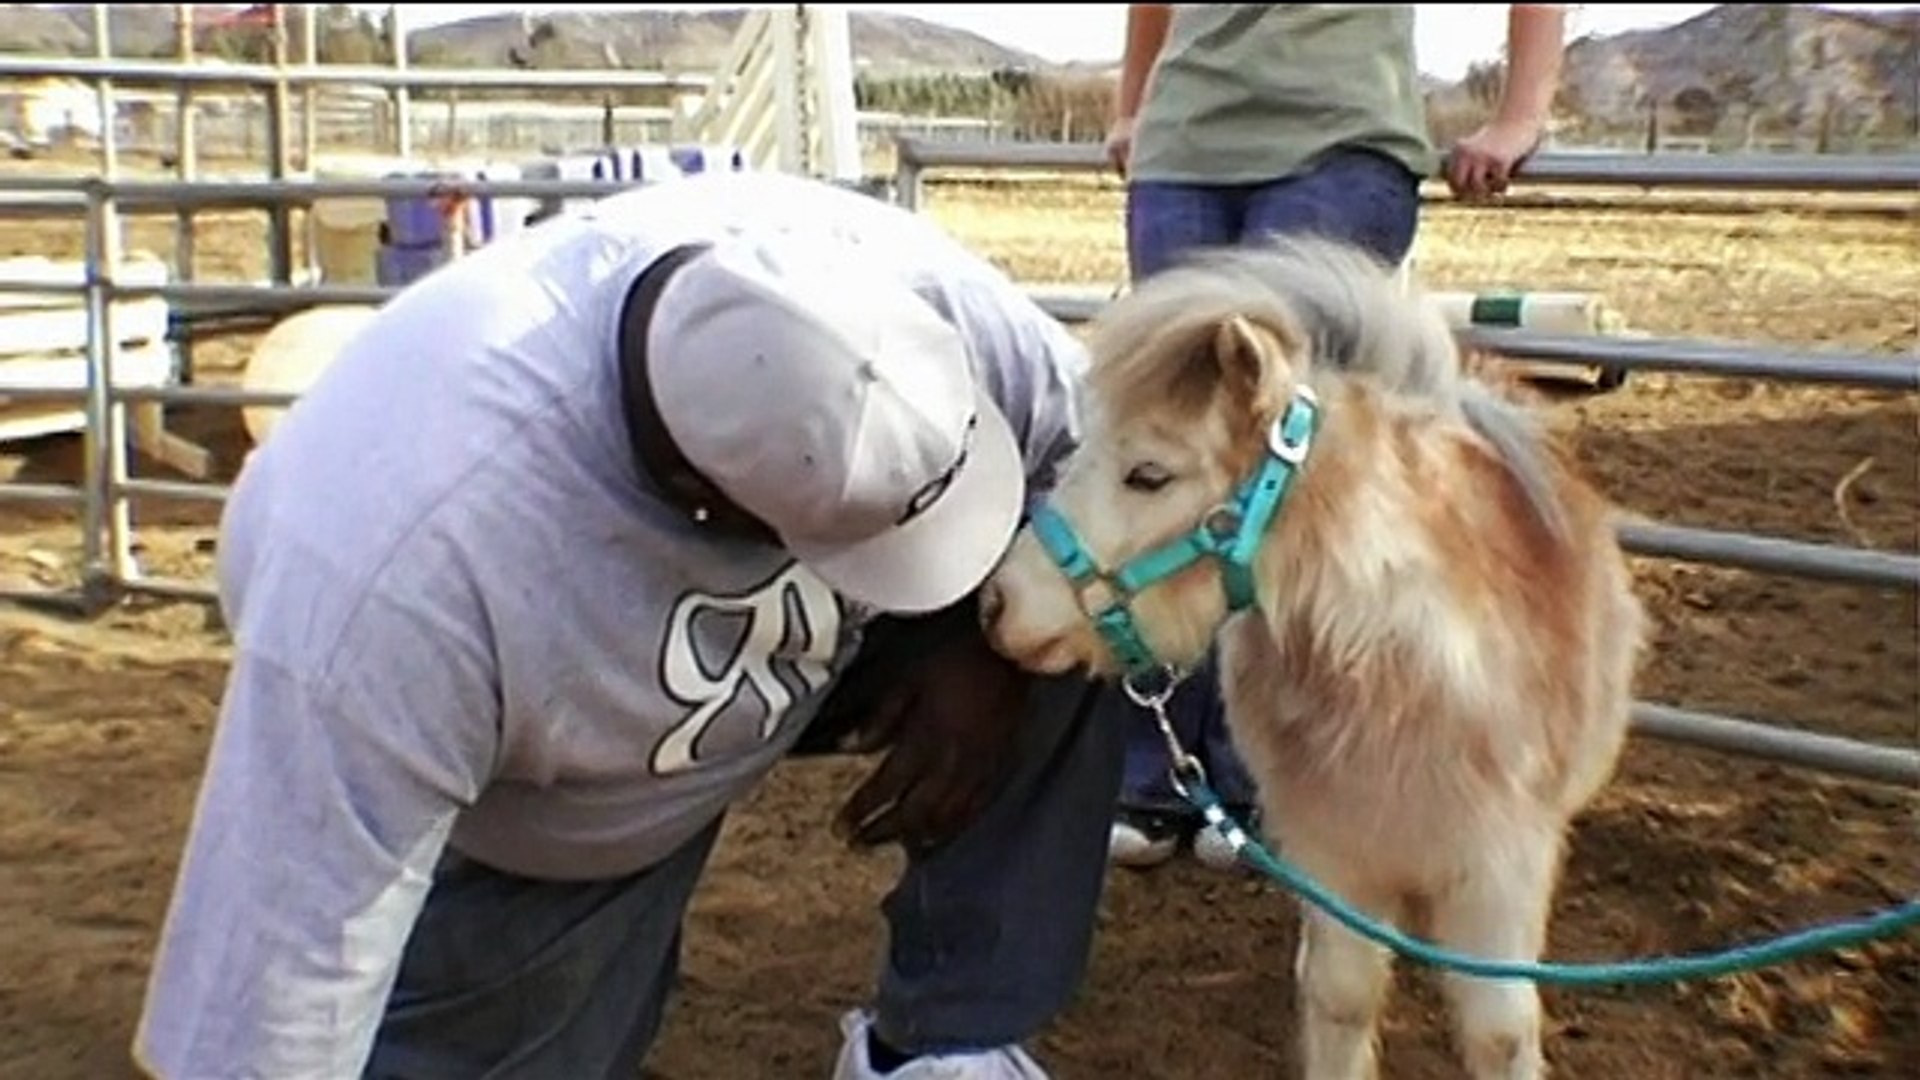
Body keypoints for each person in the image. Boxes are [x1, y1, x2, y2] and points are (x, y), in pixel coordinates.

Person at [131, 168, 1125, 1080]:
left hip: (803, 642)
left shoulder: (919, 307)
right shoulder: (399, 576)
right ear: (710, 502)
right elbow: (269, 1003)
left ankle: (945, 1045)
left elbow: (1103, 471)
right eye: (871, 535)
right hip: (562, 780)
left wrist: (982, 645)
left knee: (1073, 623)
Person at [1101, 3, 1568, 870]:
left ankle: (1260, 780)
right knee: (1175, 441)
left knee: (1281, 450)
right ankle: (1154, 773)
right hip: (1186, 144)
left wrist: (1521, 112)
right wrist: (1136, 105)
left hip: (1338, 138)